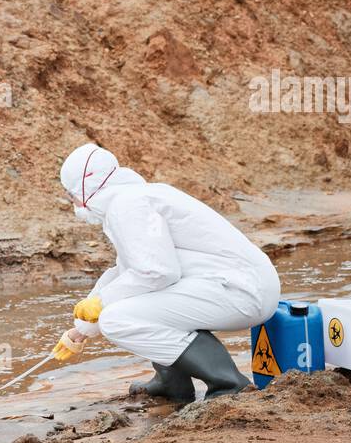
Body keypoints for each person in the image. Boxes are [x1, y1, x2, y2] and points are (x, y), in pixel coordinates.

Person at [50, 143, 280, 401]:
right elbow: (127, 272)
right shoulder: (135, 199)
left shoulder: (128, 206)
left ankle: (228, 384)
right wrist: (79, 331)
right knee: (134, 302)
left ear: (86, 188)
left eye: (72, 196)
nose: (74, 204)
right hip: (242, 285)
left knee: (116, 319)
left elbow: (158, 273)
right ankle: (171, 382)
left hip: (243, 292)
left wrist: (102, 304)